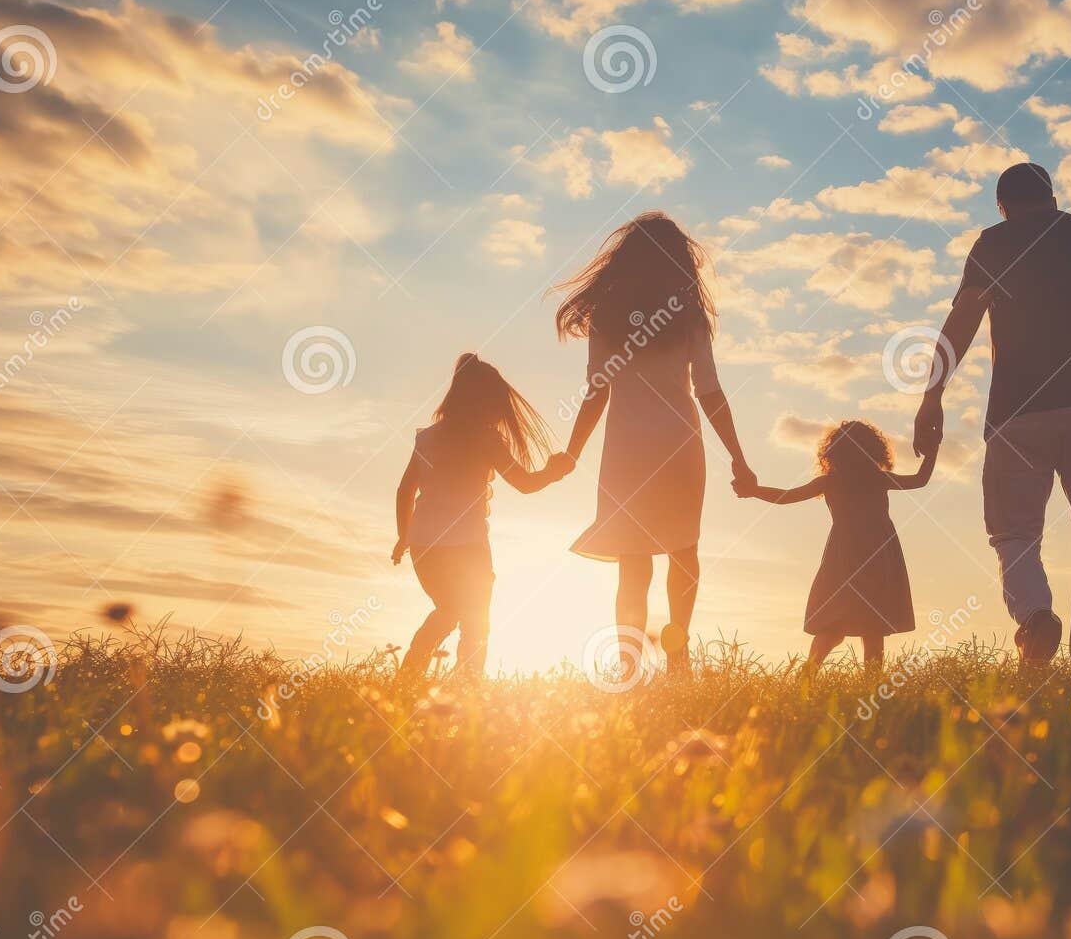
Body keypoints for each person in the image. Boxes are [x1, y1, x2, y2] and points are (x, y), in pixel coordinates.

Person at [911, 162, 1071, 666]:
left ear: (1003, 207)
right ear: (1051, 197)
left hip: (1016, 416)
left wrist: (932, 396)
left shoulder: (996, 242)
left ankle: (1034, 617)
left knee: (1014, 534)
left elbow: (962, 319)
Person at [555, 212, 755, 678]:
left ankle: (626, 665)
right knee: (683, 552)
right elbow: (710, 391)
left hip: (626, 450)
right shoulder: (687, 316)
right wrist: (740, 460)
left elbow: (596, 390)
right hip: (679, 445)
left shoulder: (608, 315)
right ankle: (678, 659)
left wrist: (572, 452)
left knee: (633, 562)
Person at [392, 353, 571, 680]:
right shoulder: (487, 439)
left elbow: (405, 492)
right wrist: (552, 472)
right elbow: (525, 484)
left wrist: (405, 535)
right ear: (487, 403)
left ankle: (407, 680)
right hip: (467, 546)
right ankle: (467, 687)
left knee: (448, 612)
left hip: (425, 545)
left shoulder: (427, 438)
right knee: (474, 620)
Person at [741, 419, 934, 673]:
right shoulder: (877, 479)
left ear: (834, 452)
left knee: (833, 625)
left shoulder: (831, 481)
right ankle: (869, 687)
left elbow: (786, 497)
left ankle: (808, 675)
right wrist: (933, 449)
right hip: (878, 555)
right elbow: (920, 479)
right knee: (873, 628)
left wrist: (753, 490)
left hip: (844, 556)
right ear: (875, 450)